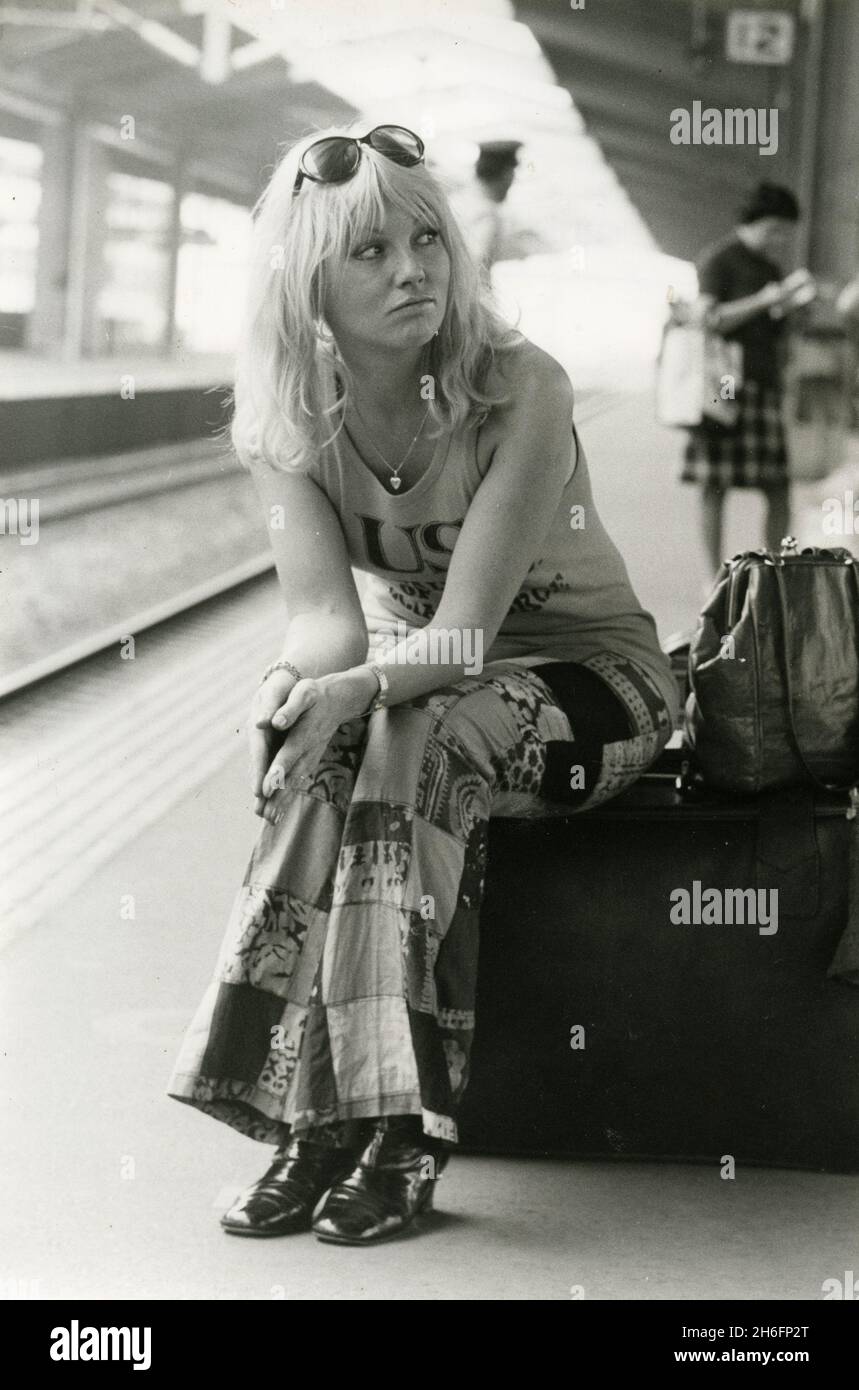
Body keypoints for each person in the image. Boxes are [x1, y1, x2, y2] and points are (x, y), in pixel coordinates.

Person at [166, 122, 679, 1246]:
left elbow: (458, 639)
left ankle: (403, 1122)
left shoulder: (518, 389)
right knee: (323, 740)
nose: (413, 270)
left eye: (428, 239)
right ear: (307, 280)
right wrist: (290, 693)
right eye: (370, 252)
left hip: (597, 684)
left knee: (422, 731)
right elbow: (323, 624)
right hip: (425, 685)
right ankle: (312, 1110)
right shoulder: (289, 418)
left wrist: (356, 690)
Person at [680, 181, 816, 576]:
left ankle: (774, 572)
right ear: (755, 222)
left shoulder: (770, 267)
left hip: (762, 385)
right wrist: (765, 300)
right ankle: (713, 579)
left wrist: (790, 310)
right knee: (714, 486)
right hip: (722, 386)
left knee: (778, 488)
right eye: (775, 230)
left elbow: (768, 327)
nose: (780, 241)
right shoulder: (718, 260)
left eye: (786, 235)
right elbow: (708, 319)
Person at [453, 139, 537, 279]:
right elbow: (476, 270)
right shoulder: (486, 215)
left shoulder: (459, 199)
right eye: (511, 175)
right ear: (505, 175)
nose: (512, 182)